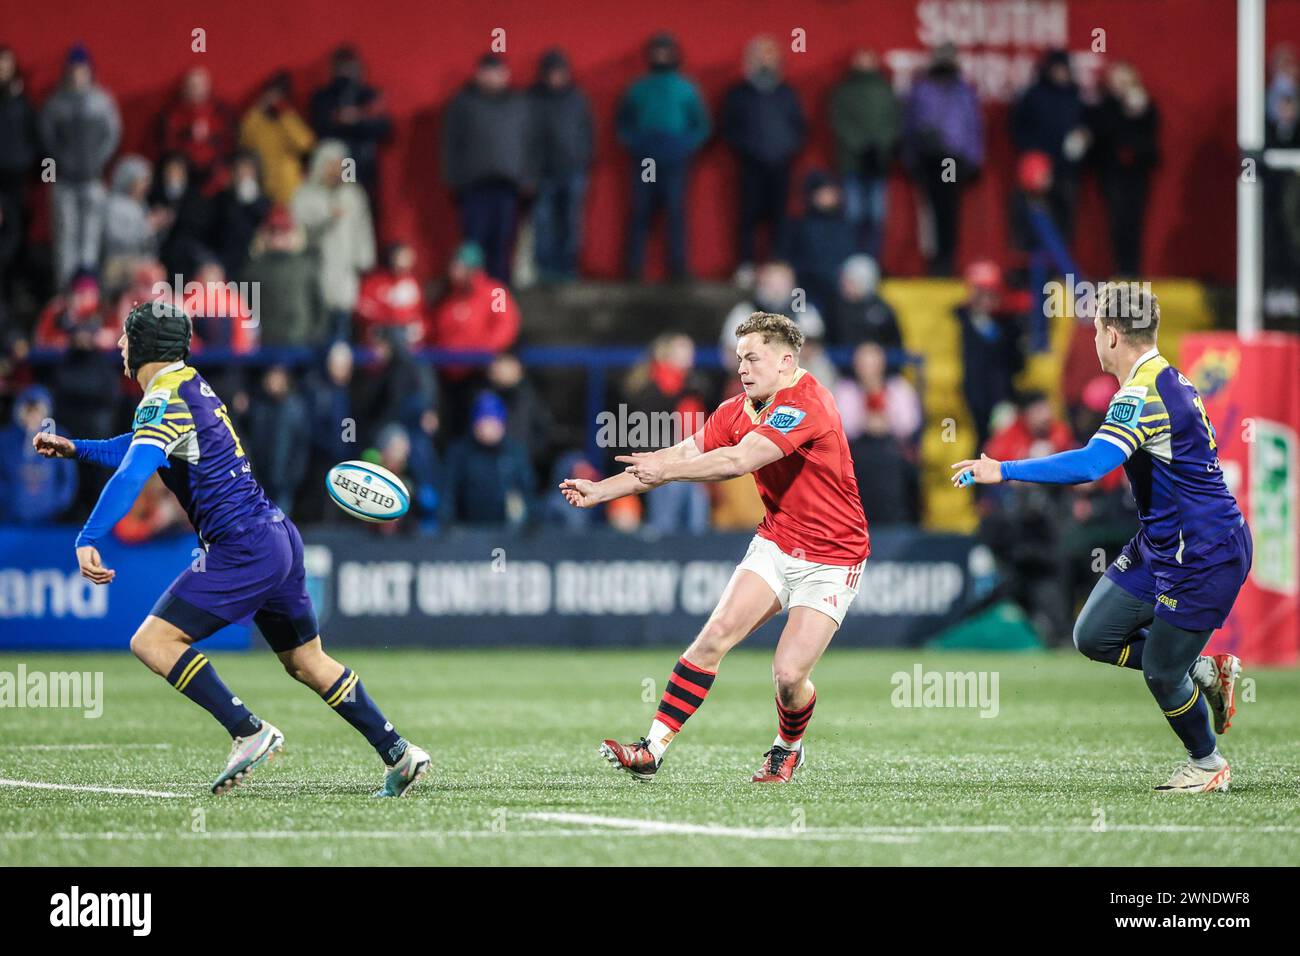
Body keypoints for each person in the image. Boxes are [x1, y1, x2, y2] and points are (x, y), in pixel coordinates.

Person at [31, 303, 429, 797]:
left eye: (126, 337)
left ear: (147, 344)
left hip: (243, 545)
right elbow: (136, 447)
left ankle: (247, 730)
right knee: (307, 662)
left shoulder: (164, 397)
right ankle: (399, 752)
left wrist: (88, 537)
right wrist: (77, 448)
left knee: (153, 642)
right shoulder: (187, 385)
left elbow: (134, 471)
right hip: (277, 535)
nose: (119, 345)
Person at [952, 284, 1250, 794]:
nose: (1094, 341)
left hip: (1203, 553)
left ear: (1111, 335)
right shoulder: (1165, 378)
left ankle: (1207, 763)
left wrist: (1004, 469)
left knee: (1161, 672)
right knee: (1093, 635)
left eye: (1094, 331)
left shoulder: (1142, 394)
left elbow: (1093, 464)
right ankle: (1203, 670)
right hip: (1163, 544)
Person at [562, 312, 869, 783]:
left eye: (753, 358)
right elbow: (681, 454)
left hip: (833, 557)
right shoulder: (738, 408)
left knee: (789, 677)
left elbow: (738, 460)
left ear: (786, 361)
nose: (742, 367)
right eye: (739, 358)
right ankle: (651, 749)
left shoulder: (808, 402)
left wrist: (666, 471)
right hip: (778, 541)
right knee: (713, 637)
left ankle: (788, 747)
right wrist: (602, 490)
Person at [617, 33, 711, 280]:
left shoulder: (686, 87)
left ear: (674, 55)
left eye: (665, 52)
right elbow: (623, 124)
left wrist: (684, 146)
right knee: (641, 211)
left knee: (675, 212)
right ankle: (633, 269)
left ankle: (677, 269)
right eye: (656, 52)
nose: (661, 57)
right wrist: (638, 144)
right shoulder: (638, 87)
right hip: (646, 160)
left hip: (675, 159)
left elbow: (701, 125)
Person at [440, 54, 531, 282]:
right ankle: (472, 294)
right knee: (473, 246)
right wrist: (453, 180)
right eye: (488, 72)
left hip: (507, 185)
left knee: (503, 243)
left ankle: (500, 295)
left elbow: (529, 142)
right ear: (478, 74)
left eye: (498, 73)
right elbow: (450, 143)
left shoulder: (519, 103)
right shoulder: (461, 103)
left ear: (506, 75)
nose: (493, 78)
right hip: (474, 186)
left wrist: (528, 178)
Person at [721, 35, 806, 272]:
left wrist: (787, 148)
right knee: (748, 215)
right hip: (750, 164)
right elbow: (728, 127)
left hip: (781, 164)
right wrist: (747, 149)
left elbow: (799, 126)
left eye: (770, 57)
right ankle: (746, 264)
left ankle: (776, 264)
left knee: (780, 217)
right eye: (760, 57)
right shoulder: (738, 93)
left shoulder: (787, 93)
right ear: (750, 60)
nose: (765, 62)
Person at [41, 43, 121, 287]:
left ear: (89, 72)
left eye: (82, 70)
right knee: (66, 235)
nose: (77, 75)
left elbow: (112, 135)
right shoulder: (56, 103)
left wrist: (97, 161)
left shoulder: (101, 101)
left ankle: (87, 289)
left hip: (93, 179)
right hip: (64, 180)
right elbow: (47, 137)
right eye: (73, 70)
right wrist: (62, 161)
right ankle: (65, 289)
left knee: (90, 237)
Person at [902, 43, 983, 277]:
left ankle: (946, 259)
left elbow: (973, 126)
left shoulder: (962, 91)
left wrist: (973, 158)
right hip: (929, 158)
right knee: (930, 209)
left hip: (951, 159)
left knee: (948, 207)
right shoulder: (922, 89)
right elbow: (910, 125)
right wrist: (911, 157)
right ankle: (934, 259)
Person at [292, 139, 376, 340]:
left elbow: (363, 227)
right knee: (318, 323)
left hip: (345, 269)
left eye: (341, 164)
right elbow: (298, 228)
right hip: (315, 268)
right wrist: (326, 214)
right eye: (331, 164)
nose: (336, 170)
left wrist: (365, 258)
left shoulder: (354, 194)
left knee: (344, 320)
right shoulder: (306, 194)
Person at [527, 48, 594, 283]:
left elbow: (588, 132)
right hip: (542, 172)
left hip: (573, 171)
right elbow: (524, 136)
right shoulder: (531, 100)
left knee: (570, 222)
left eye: (559, 72)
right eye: (551, 73)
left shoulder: (577, 99)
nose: (556, 77)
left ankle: (567, 268)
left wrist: (583, 159)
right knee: (543, 222)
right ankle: (544, 270)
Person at [1087, 62, 1159, 276]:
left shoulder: (1144, 105)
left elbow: (1150, 133)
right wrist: (1121, 109)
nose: (1119, 84)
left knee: (1133, 221)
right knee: (1117, 221)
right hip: (1112, 173)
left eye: (1124, 80)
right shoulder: (1104, 106)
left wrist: (1139, 112)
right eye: (1116, 80)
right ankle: (1122, 269)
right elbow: (1100, 133)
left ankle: (1133, 270)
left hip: (1136, 172)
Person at [1010, 49, 1089, 241]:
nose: (1060, 74)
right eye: (1056, 69)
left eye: (1064, 69)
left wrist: (1083, 137)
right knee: (1036, 217)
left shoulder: (1075, 96)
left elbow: (1086, 126)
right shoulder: (1034, 95)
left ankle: (1062, 258)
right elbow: (1018, 126)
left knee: (1065, 217)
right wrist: (1032, 152)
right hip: (1039, 166)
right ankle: (1035, 258)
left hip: (1068, 168)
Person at [828, 50, 899, 258]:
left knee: (877, 215)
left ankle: (872, 261)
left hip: (878, 161)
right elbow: (838, 121)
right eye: (861, 60)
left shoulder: (887, 90)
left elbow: (894, 121)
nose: (865, 64)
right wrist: (860, 144)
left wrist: (879, 145)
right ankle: (851, 260)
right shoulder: (843, 90)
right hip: (851, 161)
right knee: (853, 213)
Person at [309, 46, 391, 207]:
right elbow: (322, 127)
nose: (347, 71)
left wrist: (355, 119)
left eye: (350, 66)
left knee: (363, 204)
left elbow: (384, 127)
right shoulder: (325, 96)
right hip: (339, 160)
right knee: (343, 203)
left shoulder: (368, 95)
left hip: (364, 160)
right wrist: (348, 120)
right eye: (342, 66)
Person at [0, 385, 77, 525]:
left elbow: (68, 477)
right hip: (11, 516)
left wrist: (58, 502)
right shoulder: (5, 439)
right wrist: (6, 499)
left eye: (37, 411)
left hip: (49, 517)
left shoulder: (59, 439)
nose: (32, 417)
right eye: (28, 411)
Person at [239, 72, 315, 205]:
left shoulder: (289, 118)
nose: (273, 100)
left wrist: (284, 116)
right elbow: (244, 141)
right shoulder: (256, 119)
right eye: (270, 94)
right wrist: (258, 109)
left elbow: (306, 144)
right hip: (263, 185)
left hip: (288, 186)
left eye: (277, 96)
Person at [158, 66, 234, 185]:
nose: (195, 90)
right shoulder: (172, 115)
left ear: (208, 88)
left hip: (214, 169)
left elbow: (228, 142)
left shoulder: (221, 113)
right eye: (191, 86)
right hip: (183, 170)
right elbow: (168, 145)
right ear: (184, 89)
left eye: (199, 86)